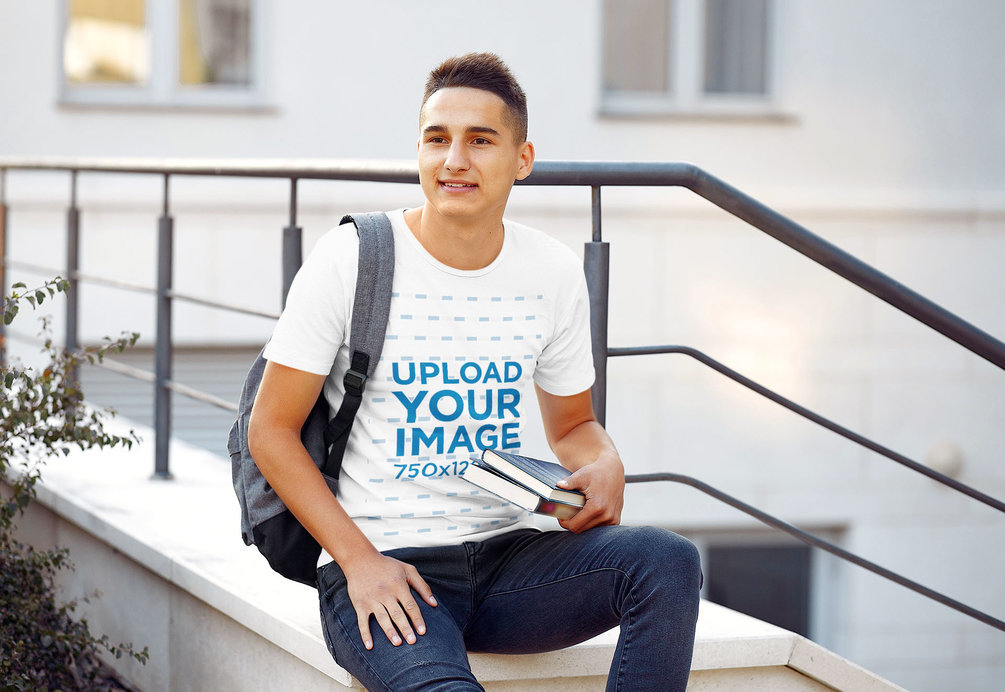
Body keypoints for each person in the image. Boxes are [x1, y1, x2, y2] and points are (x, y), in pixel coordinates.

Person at [248, 52, 701, 691]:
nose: (454, 160)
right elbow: (270, 430)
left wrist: (604, 465)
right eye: (438, 139)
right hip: (385, 568)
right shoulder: (351, 260)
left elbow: (574, 425)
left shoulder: (549, 272)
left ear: (522, 159)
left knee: (668, 562)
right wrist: (358, 561)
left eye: (479, 140)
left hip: (509, 564)